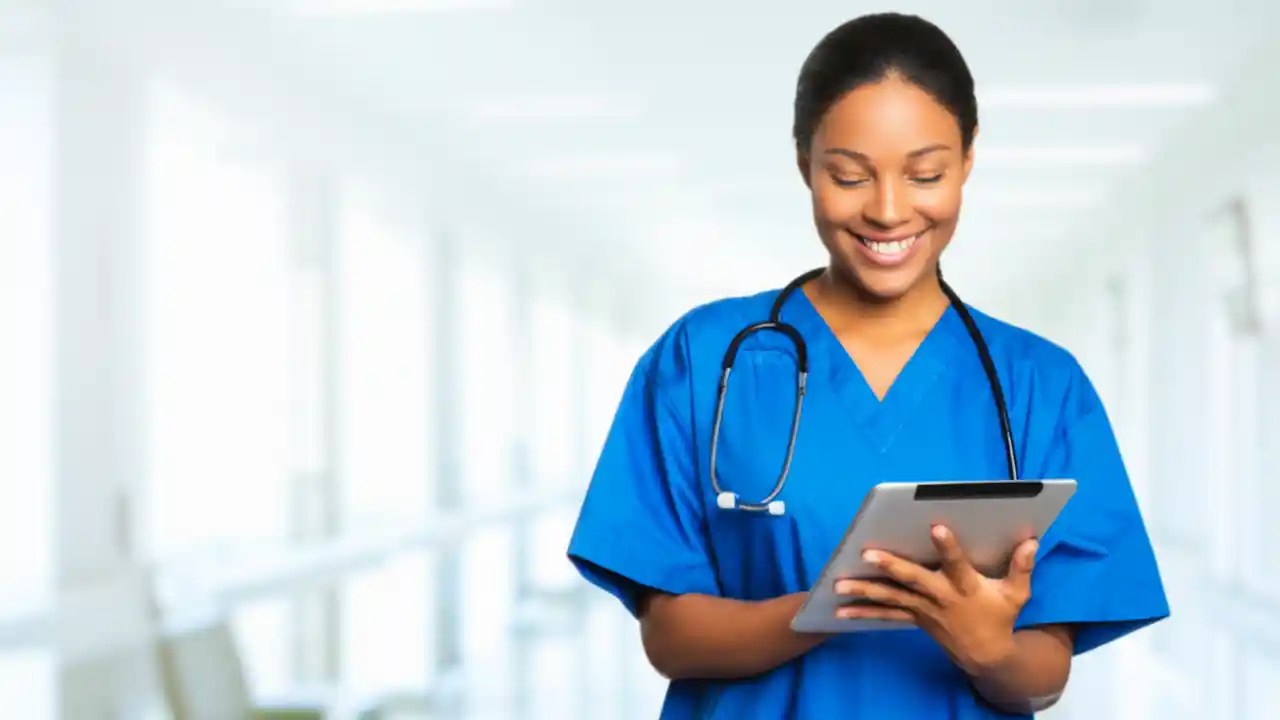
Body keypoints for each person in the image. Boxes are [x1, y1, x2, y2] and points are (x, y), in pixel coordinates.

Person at [566, 12, 1169, 719]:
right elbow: (669, 637)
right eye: (849, 175)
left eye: (926, 174)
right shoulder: (702, 361)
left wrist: (989, 649)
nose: (888, 211)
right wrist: (831, 605)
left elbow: (1044, 675)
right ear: (805, 164)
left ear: (968, 159)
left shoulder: (1040, 386)